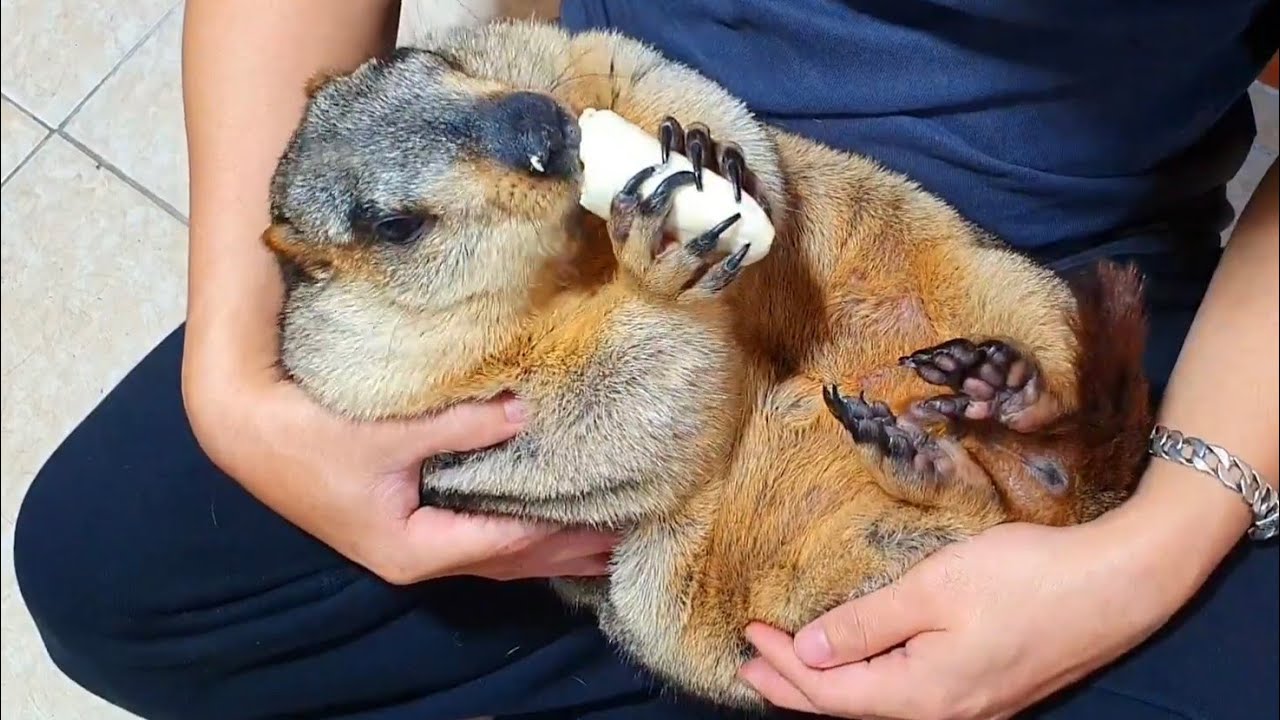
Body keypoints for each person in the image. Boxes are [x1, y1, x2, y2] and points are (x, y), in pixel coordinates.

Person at [12, 1, 1276, 719]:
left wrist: (1150, 546)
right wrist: (233, 386)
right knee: (113, 572)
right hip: (616, 159)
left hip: (996, 279)